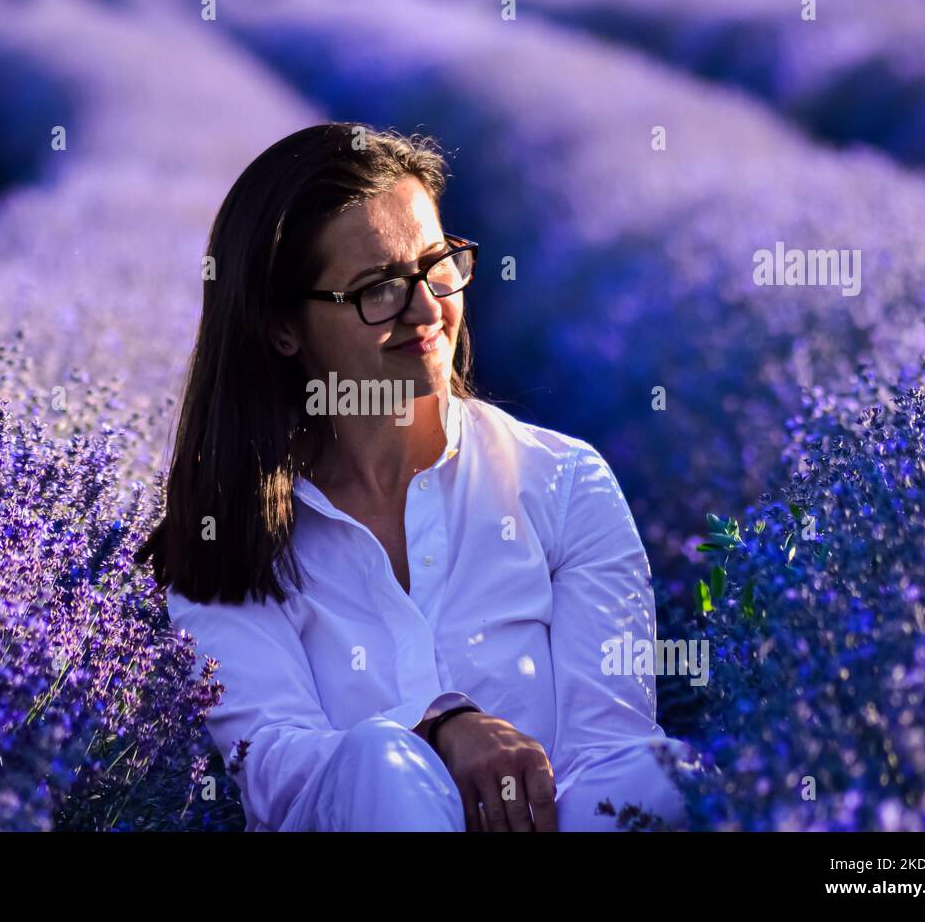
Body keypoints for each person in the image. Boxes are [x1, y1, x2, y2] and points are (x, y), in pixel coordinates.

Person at [136, 122, 696, 832]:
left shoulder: (562, 483)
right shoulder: (230, 532)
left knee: (662, 773)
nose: (428, 308)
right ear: (283, 327)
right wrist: (436, 728)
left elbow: (608, 759)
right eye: (378, 289)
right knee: (377, 764)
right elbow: (276, 772)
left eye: (437, 265)